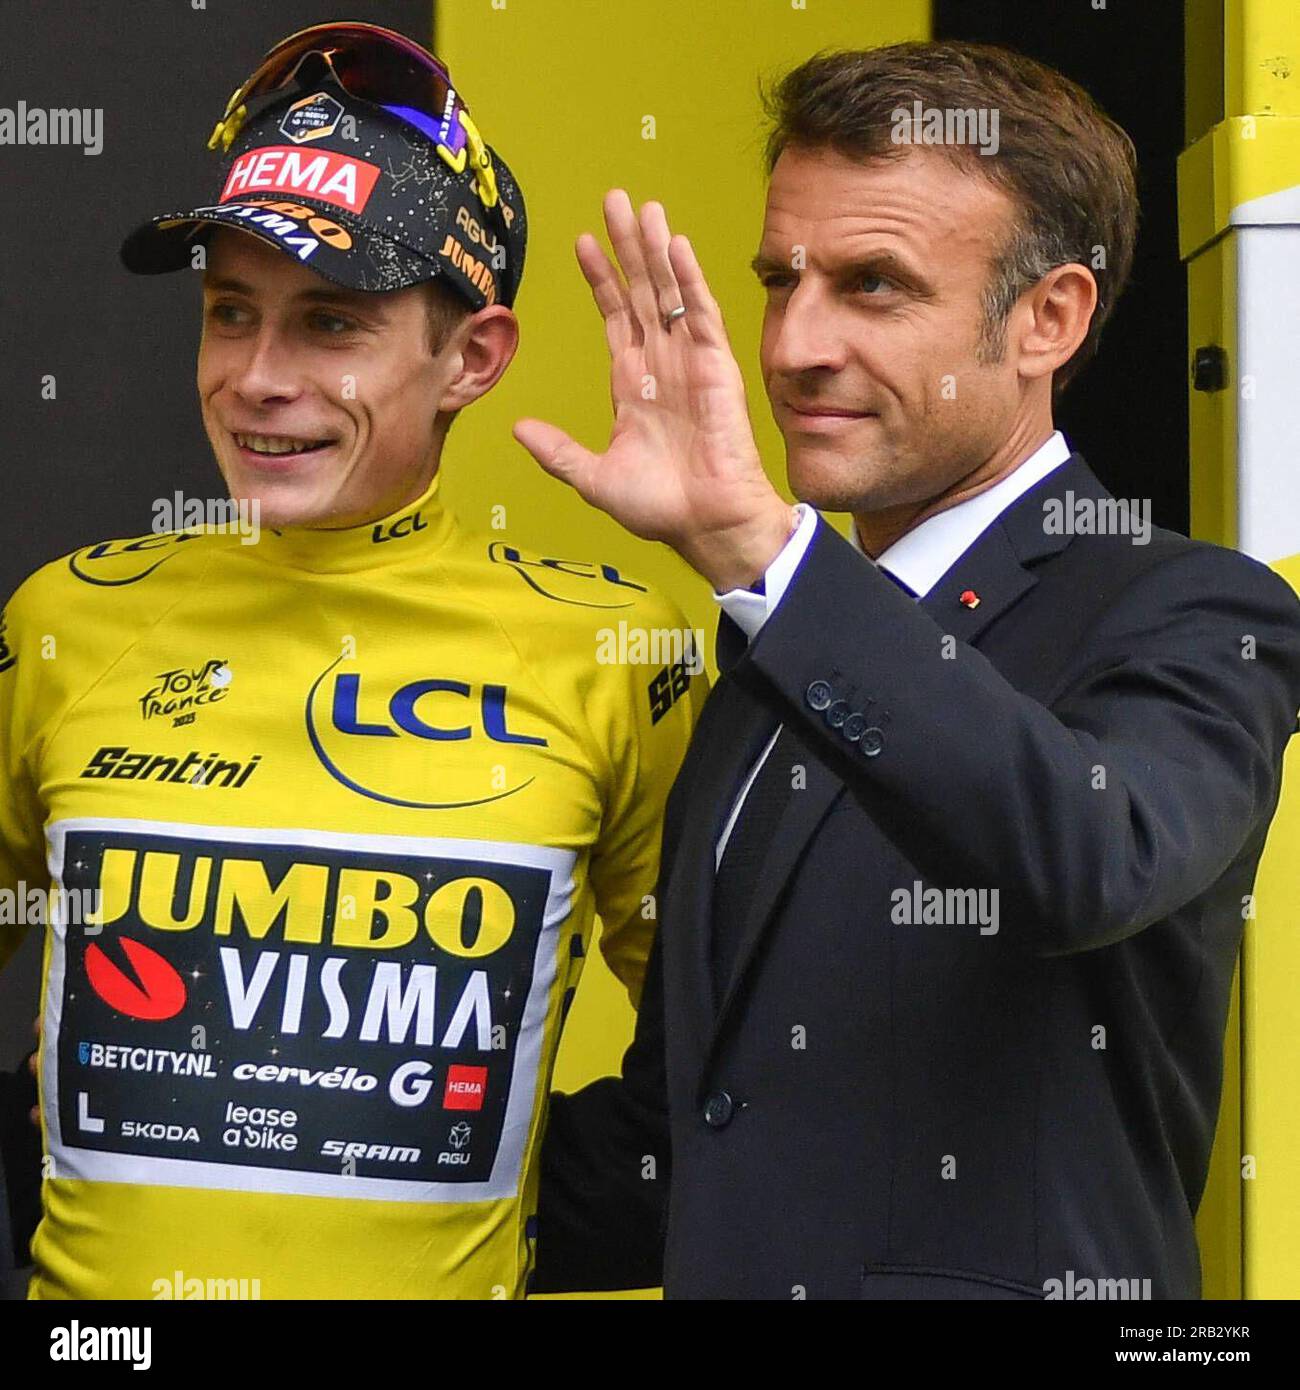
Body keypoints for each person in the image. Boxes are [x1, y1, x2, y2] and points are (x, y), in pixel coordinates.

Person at [523, 41, 1300, 1299]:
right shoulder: (776, 638)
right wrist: (288, 1159)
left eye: (873, 286)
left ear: (1048, 318)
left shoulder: (1194, 608)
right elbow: (689, 1155)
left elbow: (1085, 856)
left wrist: (761, 556)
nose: (795, 344)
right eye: (783, 280)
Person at [0, 22, 702, 1299]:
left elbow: (738, 1069)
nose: (258, 379)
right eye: (230, 314)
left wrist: (518, 1210)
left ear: (471, 359)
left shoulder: (614, 647)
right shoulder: (64, 618)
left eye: (331, 324)